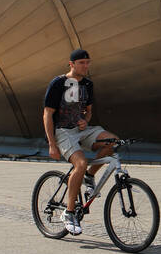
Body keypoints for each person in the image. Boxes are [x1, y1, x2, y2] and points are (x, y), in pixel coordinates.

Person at [43, 49, 118, 235]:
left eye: (87, 62)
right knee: (81, 163)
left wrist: (86, 119)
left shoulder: (88, 84)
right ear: (71, 64)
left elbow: (88, 111)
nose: (86, 66)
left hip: (81, 131)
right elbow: (47, 114)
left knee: (113, 141)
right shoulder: (58, 83)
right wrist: (52, 144)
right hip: (63, 132)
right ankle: (69, 213)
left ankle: (89, 176)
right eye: (81, 63)